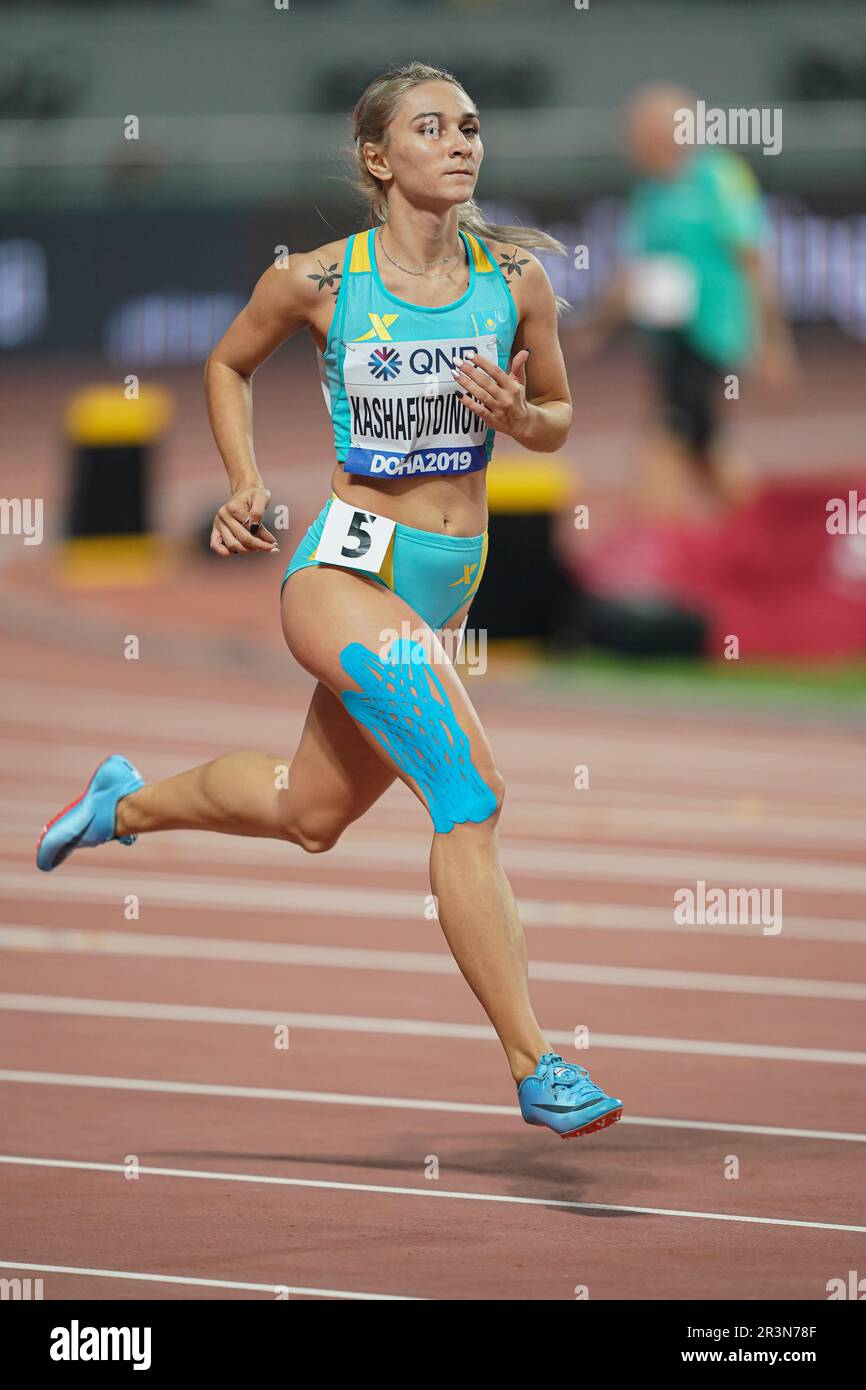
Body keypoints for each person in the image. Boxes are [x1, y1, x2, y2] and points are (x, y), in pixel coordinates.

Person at [35, 61, 622, 1141]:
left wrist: (518, 417)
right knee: (470, 793)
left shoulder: (514, 281)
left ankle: (119, 802)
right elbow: (225, 365)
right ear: (375, 157)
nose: (460, 144)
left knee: (309, 813)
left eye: (471, 128)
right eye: (432, 128)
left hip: (437, 587)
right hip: (341, 577)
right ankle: (535, 1061)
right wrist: (245, 483)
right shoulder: (315, 282)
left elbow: (555, 417)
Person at [578, 82, 796, 514]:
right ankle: (744, 531)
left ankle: (663, 546)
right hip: (668, 337)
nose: (629, 141)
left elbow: (753, 258)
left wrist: (772, 339)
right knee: (703, 443)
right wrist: (595, 327)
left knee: (668, 434)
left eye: (638, 130)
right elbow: (632, 272)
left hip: (713, 333)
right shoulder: (651, 192)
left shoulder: (718, 176)